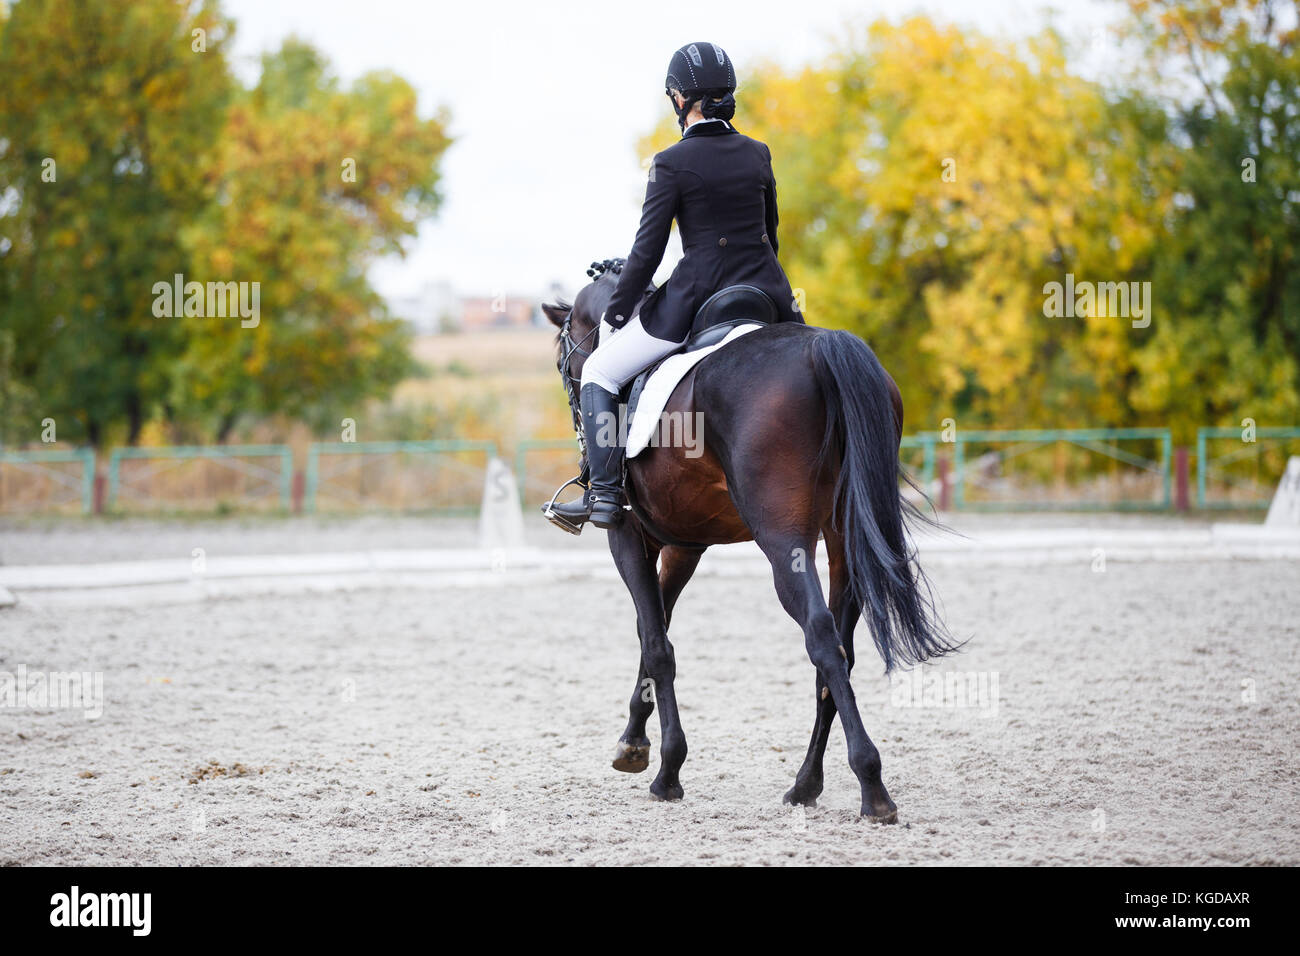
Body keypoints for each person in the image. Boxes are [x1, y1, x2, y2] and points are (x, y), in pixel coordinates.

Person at [552, 41, 801, 530]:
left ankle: (603, 494)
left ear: (678, 99)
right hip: (768, 296)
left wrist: (616, 315)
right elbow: (771, 236)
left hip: (698, 300)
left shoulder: (670, 162)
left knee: (601, 371)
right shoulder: (758, 153)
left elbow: (645, 256)